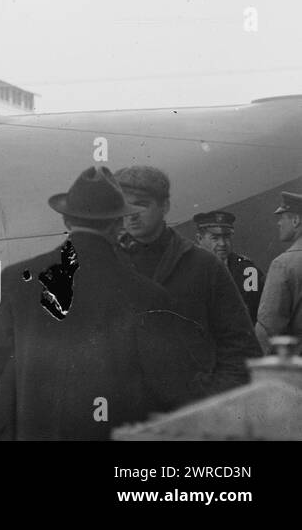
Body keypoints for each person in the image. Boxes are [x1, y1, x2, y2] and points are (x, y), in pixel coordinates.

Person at [0, 166, 206, 440]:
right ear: (117, 223)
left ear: (66, 221)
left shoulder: (15, 279)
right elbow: (169, 383)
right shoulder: (147, 294)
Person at [115, 166, 259, 394]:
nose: (130, 214)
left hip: (189, 413)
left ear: (165, 207)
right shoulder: (108, 265)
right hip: (125, 412)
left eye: (141, 204)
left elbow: (242, 348)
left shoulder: (203, 266)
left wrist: (209, 399)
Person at [192, 210, 263, 324]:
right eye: (215, 238)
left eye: (226, 237)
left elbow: (257, 309)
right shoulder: (188, 269)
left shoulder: (247, 270)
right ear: (199, 238)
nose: (222, 243)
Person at [257, 191, 302, 347]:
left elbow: (268, 327)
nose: (279, 223)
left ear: (296, 220)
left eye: (282, 218)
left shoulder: (283, 264)